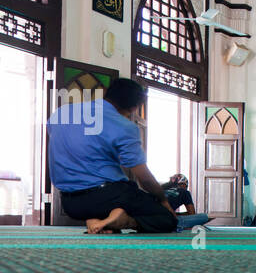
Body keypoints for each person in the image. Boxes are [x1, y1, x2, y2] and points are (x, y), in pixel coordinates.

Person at [47, 78, 177, 234]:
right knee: (167, 219)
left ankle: (99, 220)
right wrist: (162, 199)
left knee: (119, 197)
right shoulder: (125, 126)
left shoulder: (62, 112)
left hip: (70, 203)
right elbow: (145, 179)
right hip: (107, 195)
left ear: (108, 93)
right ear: (134, 107)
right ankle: (122, 221)